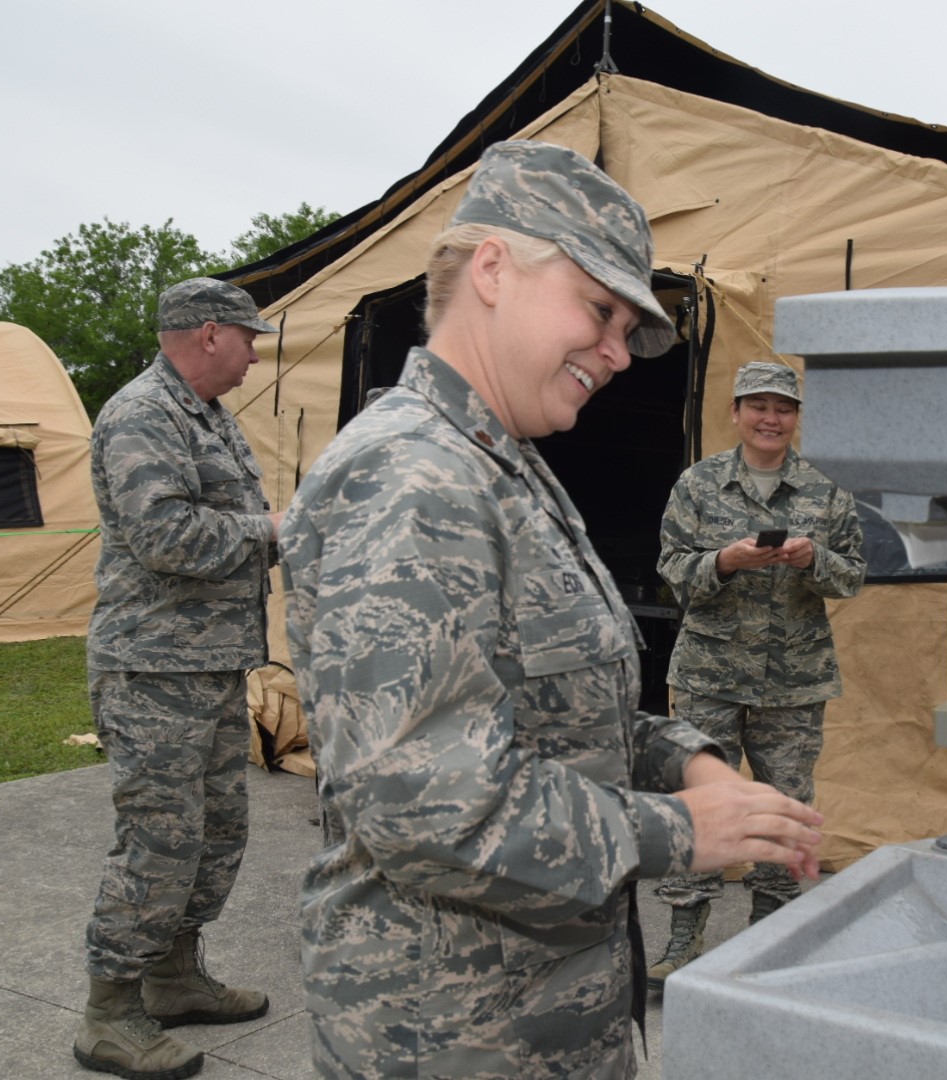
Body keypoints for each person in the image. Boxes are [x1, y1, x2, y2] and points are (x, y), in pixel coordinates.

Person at [278, 140, 823, 1079]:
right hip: (452, 1037)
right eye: (600, 311)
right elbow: (429, 805)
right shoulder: (417, 476)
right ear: (492, 267)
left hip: (539, 1019)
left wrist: (689, 760)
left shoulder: (504, 465)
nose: (617, 353)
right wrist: (685, 832)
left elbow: (559, 710)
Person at [75, 279, 280, 1079]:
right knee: (159, 839)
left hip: (208, 662)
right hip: (152, 667)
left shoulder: (208, 417)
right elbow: (164, 535)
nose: (256, 352)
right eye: (249, 338)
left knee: (217, 830)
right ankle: (109, 1012)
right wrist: (270, 531)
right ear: (207, 334)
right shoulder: (141, 415)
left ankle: (172, 975)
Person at [649, 361, 866, 984]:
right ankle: (683, 941)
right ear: (737, 412)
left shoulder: (826, 492)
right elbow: (670, 566)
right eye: (759, 405)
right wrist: (724, 561)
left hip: (793, 682)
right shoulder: (698, 484)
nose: (771, 418)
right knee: (698, 802)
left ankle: (769, 943)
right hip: (708, 676)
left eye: (784, 408)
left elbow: (852, 575)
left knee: (784, 806)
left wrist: (813, 558)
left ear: (797, 418)